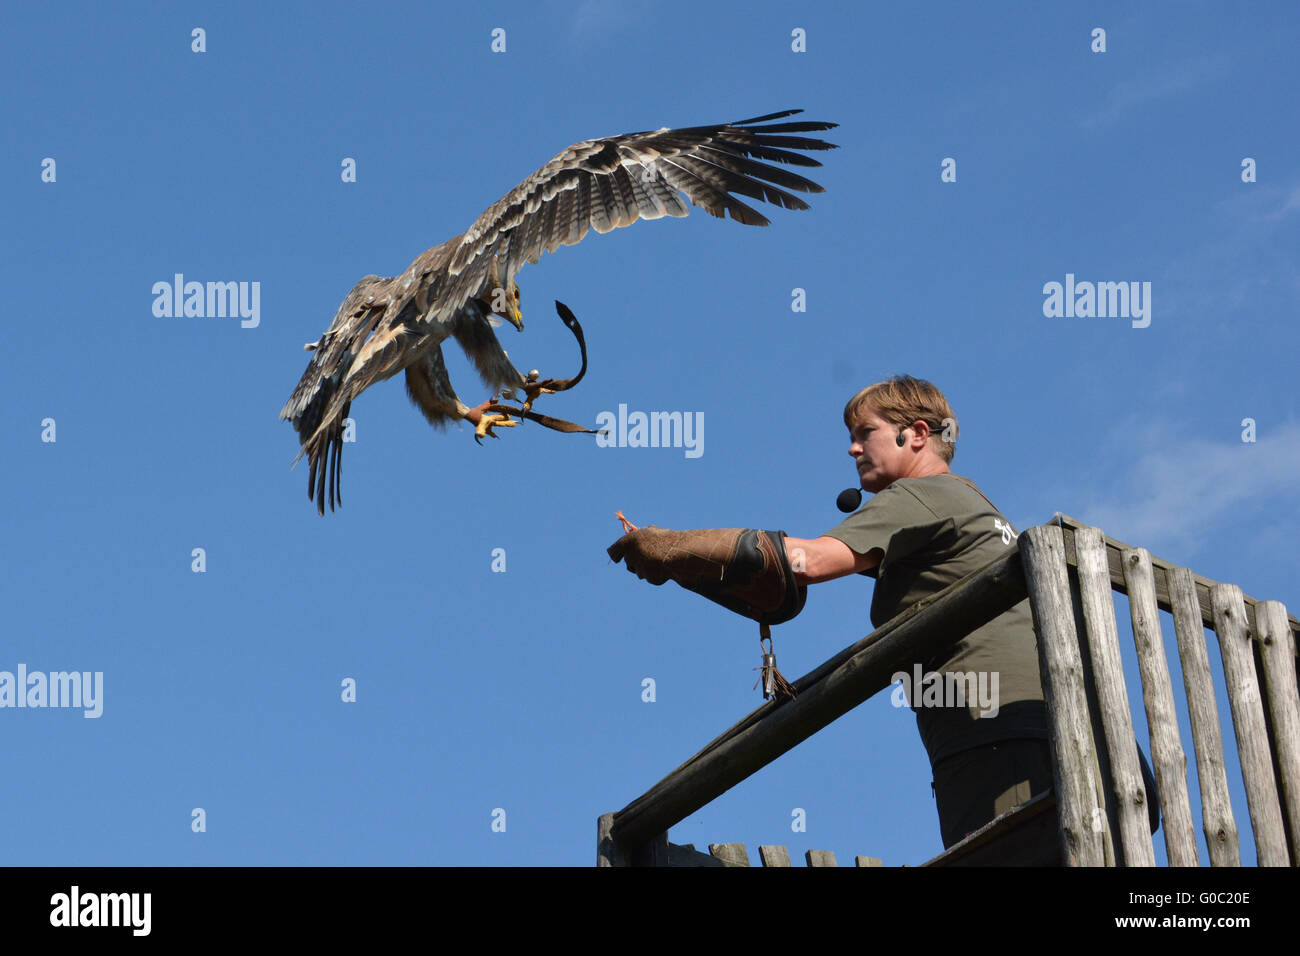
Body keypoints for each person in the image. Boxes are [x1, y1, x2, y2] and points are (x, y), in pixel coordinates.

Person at [609, 374, 1157, 856]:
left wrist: (673, 548)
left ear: (915, 434)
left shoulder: (923, 496)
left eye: (863, 433)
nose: (852, 449)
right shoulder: (973, 508)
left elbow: (802, 562)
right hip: (1069, 737)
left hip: (996, 739)